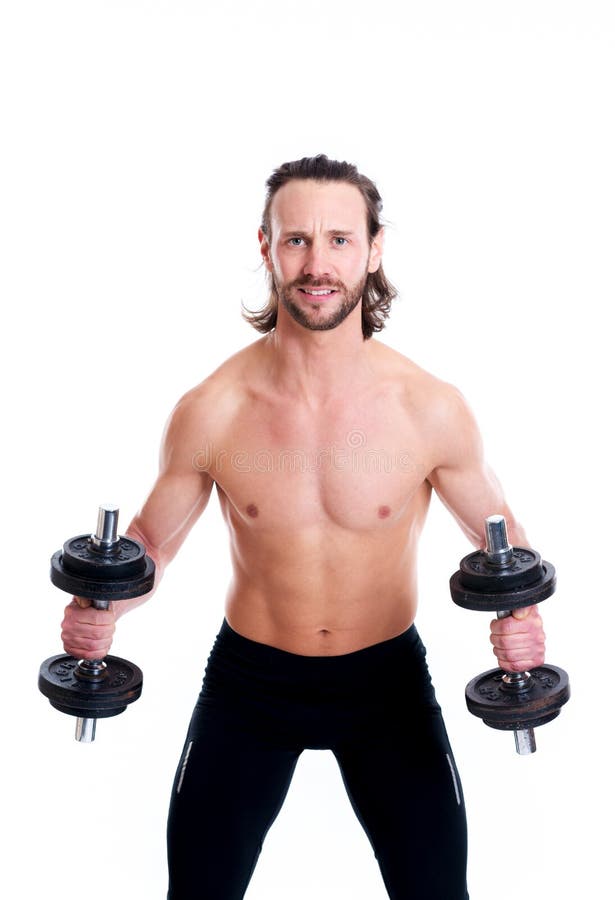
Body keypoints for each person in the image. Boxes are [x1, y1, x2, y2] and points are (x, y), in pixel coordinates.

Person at [61, 154, 546, 900]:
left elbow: (505, 548)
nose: (317, 263)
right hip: (250, 683)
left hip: (385, 683)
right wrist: (103, 613)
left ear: (374, 248)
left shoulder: (428, 408)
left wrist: (523, 620)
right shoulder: (213, 408)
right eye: (296, 241)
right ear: (265, 247)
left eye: (340, 240)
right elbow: (149, 550)